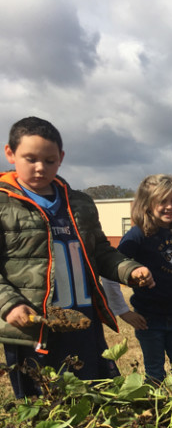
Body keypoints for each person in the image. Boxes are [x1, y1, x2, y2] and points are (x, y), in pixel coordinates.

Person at [0, 116, 154, 399]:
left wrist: (129, 270)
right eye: (30, 159)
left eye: (49, 160)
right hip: (34, 327)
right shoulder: (3, 204)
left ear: (61, 158)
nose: (40, 167)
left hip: (82, 321)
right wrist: (9, 304)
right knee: (44, 407)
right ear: (10, 154)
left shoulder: (80, 202)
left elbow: (100, 251)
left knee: (95, 398)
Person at [103, 174, 172, 381]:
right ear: (147, 204)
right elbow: (111, 271)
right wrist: (122, 311)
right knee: (154, 375)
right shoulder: (137, 235)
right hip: (148, 320)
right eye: (162, 201)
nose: (169, 206)